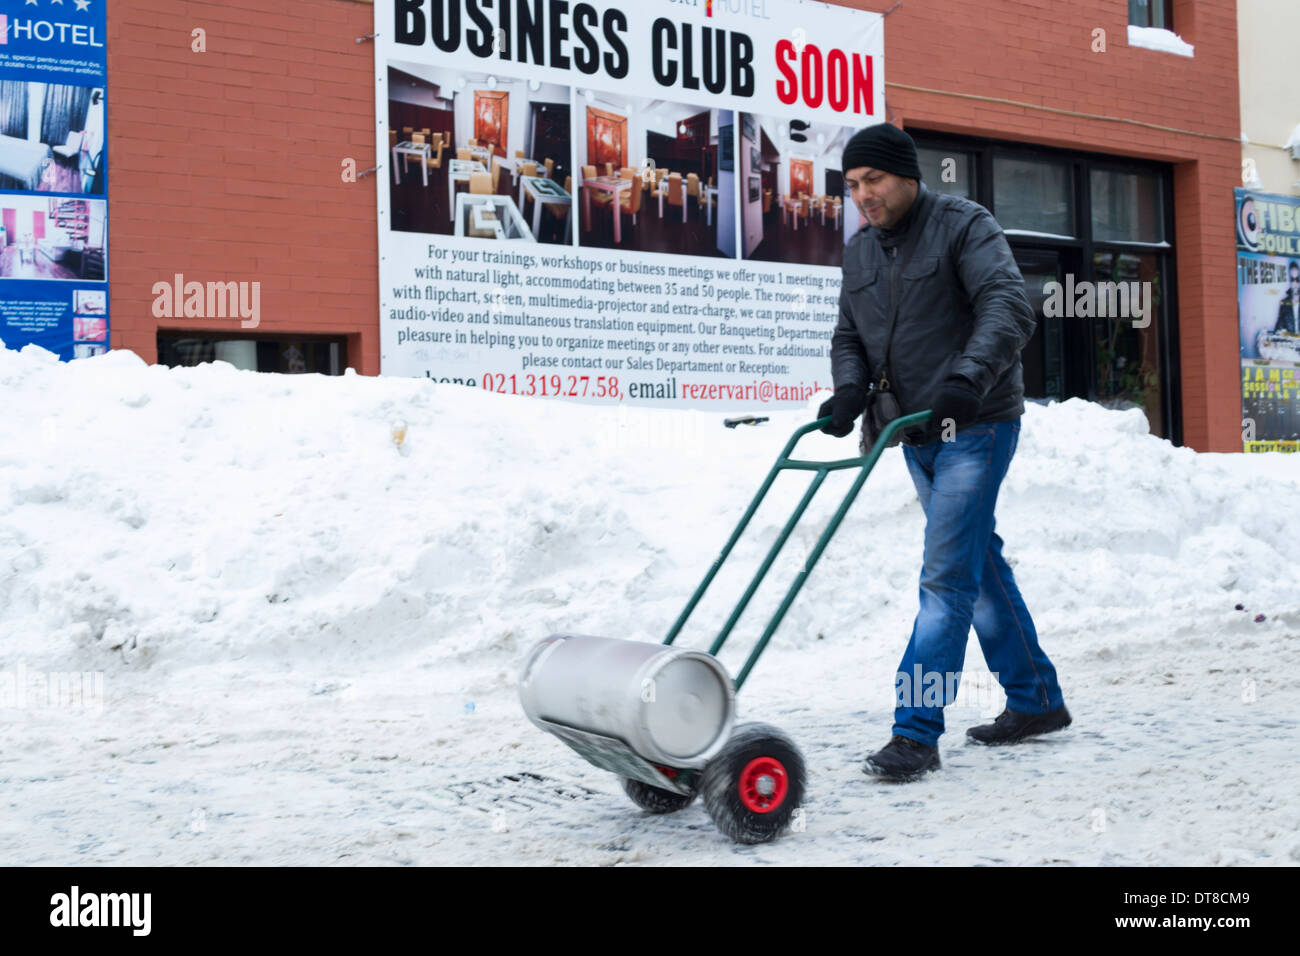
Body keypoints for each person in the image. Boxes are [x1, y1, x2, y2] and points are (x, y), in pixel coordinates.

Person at [818, 123, 1070, 781]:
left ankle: (916, 730)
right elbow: (849, 335)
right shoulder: (859, 253)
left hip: (975, 425)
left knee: (944, 581)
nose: (863, 195)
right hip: (915, 433)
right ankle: (1037, 700)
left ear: (907, 175)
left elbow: (1009, 306)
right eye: (852, 186)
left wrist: (967, 379)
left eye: (873, 180)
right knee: (975, 566)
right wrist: (848, 393)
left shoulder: (964, 224)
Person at [1274, 261, 1300, 335]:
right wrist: (1279, 332)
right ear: (1289, 281)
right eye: (1292, 279)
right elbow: (1278, 328)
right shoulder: (1284, 303)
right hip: (1290, 345)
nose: (1295, 283)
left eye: (1297, 279)